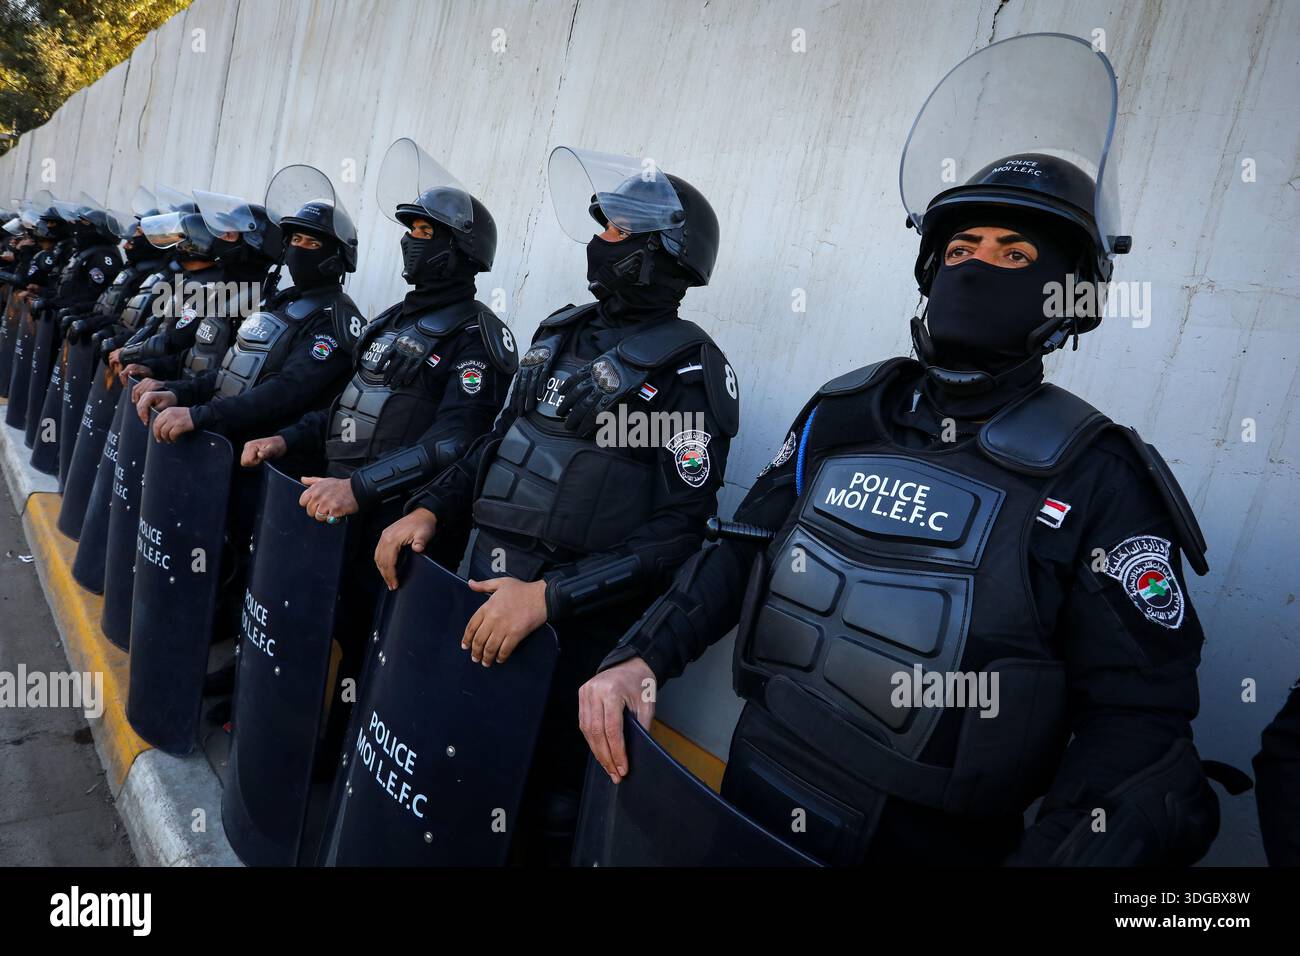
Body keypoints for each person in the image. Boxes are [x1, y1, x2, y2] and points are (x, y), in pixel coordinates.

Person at [577, 33, 1220, 867]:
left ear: (1067, 295)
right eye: (960, 250)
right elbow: (737, 555)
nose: (978, 268)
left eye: (1016, 256)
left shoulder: (1097, 477)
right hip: (752, 789)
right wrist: (638, 657)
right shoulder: (848, 411)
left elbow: (1138, 732)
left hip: (925, 840)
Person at [373, 147, 739, 863]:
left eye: (615, 231)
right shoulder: (558, 334)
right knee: (447, 779)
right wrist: (429, 509)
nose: (598, 243)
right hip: (472, 587)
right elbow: (494, 446)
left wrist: (550, 597)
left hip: (565, 633)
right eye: (601, 226)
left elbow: (679, 532)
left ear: (662, 252)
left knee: (531, 808)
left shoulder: (689, 374)